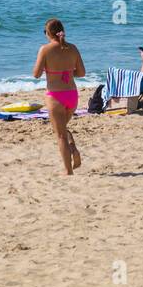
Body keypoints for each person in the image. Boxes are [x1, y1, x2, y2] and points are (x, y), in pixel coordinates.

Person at [32, 18, 86, 175]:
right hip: (72, 95)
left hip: (55, 96)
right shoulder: (73, 48)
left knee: (60, 134)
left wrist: (51, 71)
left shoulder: (45, 49)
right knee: (62, 129)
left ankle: (68, 170)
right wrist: (66, 72)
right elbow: (82, 73)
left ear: (48, 33)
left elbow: (36, 74)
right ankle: (73, 148)